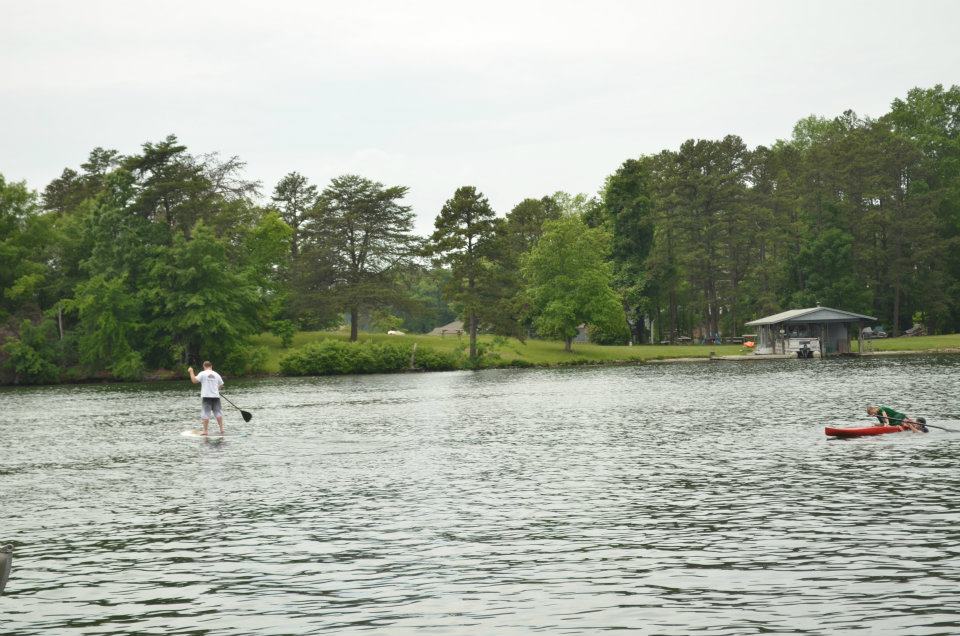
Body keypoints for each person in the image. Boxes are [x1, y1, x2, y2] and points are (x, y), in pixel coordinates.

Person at [188, 361, 225, 436]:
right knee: (218, 413)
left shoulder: (202, 373)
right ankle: (221, 429)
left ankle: (205, 431)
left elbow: (194, 381)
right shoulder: (216, 374)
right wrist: (216, 388)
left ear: (204, 366)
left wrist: (191, 371)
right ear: (211, 366)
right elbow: (221, 384)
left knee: (206, 413)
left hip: (206, 397)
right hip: (216, 397)